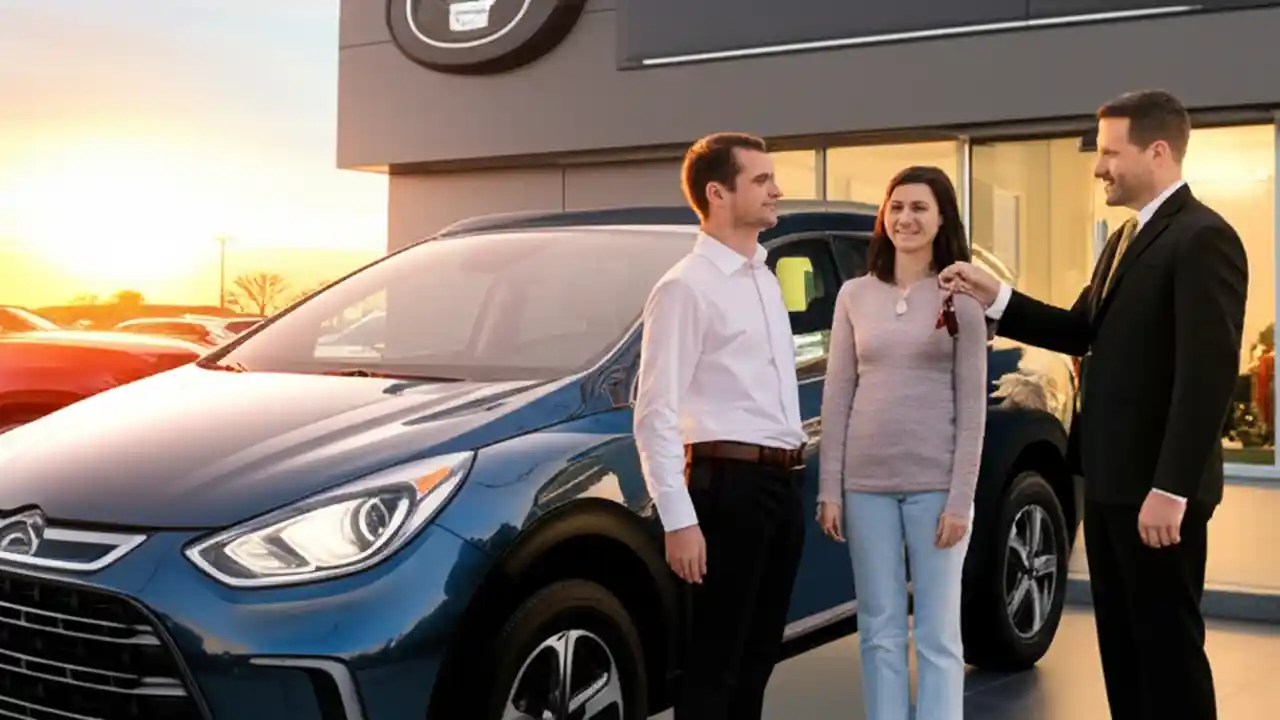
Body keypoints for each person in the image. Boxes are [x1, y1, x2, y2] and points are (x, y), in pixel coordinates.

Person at [939, 89, 1247, 719]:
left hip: (1157, 495)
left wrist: (1172, 489)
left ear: (1157, 152)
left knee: (1168, 653)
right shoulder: (1126, 239)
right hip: (1108, 483)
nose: (1098, 166)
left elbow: (1206, 378)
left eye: (1110, 151)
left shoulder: (1203, 238)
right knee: (1123, 652)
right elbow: (1081, 329)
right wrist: (995, 294)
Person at [633, 131, 807, 719]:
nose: (777, 190)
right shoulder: (685, 287)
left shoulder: (763, 277)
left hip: (780, 487)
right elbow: (654, 413)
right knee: (714, 667)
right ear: (718, 193)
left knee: (756, 662)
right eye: (761, 180)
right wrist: (679, 520)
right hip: (726, 490)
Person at [816, 165, 987, 720]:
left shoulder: (962, 299)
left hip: (937, 488)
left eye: (919, 208)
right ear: (883, 216)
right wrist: (831, 490)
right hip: (865, 488)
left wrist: (961, 499)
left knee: (938, 633)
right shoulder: (853, 296)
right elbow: (837, 396)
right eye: (896, 207)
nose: (906, 218)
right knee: (880, 629)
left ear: (942, 220)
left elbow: (973, 409)